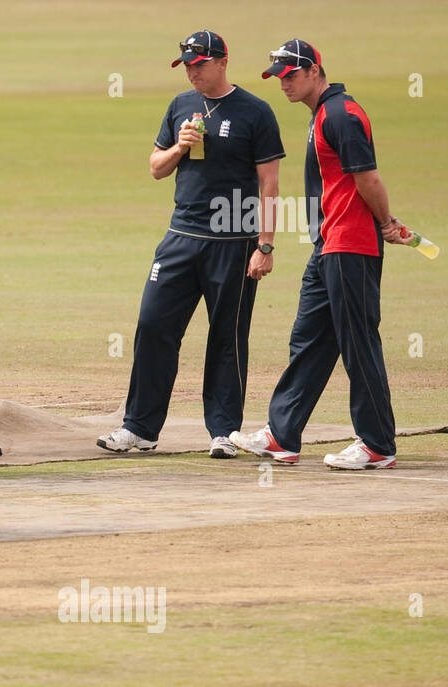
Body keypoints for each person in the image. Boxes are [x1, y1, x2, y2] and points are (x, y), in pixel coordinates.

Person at [97, 30, 284, 459]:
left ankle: (223, 431)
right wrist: (180, 147)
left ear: (222, 62)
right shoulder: (181, 106)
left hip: (234, 242)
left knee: (227, 336)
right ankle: (139, 429)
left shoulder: (256, 111)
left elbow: (269, 183)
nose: (192, 72)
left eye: (199, 64)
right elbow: (156, 168)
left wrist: (265, 245)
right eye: (186, 65)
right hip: (181, 238)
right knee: (153, 326)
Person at [231, 40, 410, 470]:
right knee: (309, 340)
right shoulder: (322, 115)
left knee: (358, 344)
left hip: (350, 245)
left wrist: (385, 222)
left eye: (291, 75)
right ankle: (282, 436)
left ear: (314, 71)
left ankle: (377, 444)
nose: (284, 84)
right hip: (328, 244)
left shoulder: (341, 115)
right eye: (279, 77)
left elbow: (367, 177)